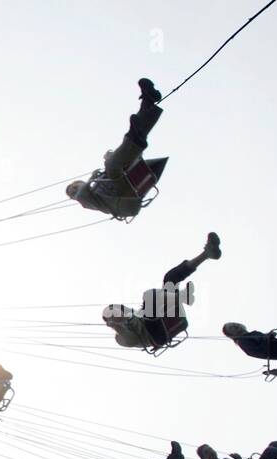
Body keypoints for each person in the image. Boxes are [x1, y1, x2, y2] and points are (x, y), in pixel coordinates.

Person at [67, 79, 167, 219]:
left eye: (74, 185)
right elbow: (82, 192)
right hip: (124, 203)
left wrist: (107, 159)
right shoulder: (85, 200)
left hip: (125, 187)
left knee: (117, 154)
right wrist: (92, 177)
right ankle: (134, 137)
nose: (73, 189)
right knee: (111, 164)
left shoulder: (99, 183)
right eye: (71, 192)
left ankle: (147, 102)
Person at [102, 233, 220, 350]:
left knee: (170, 278)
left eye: (116, 311)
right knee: (149, 296)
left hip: (163, 317)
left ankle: (207, 254)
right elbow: (131, 340)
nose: (117, 314)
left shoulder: (135, 314)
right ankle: (182, 297)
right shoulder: (120, 337)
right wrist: (118, 327)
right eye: (113, 315)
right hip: (155, 333)